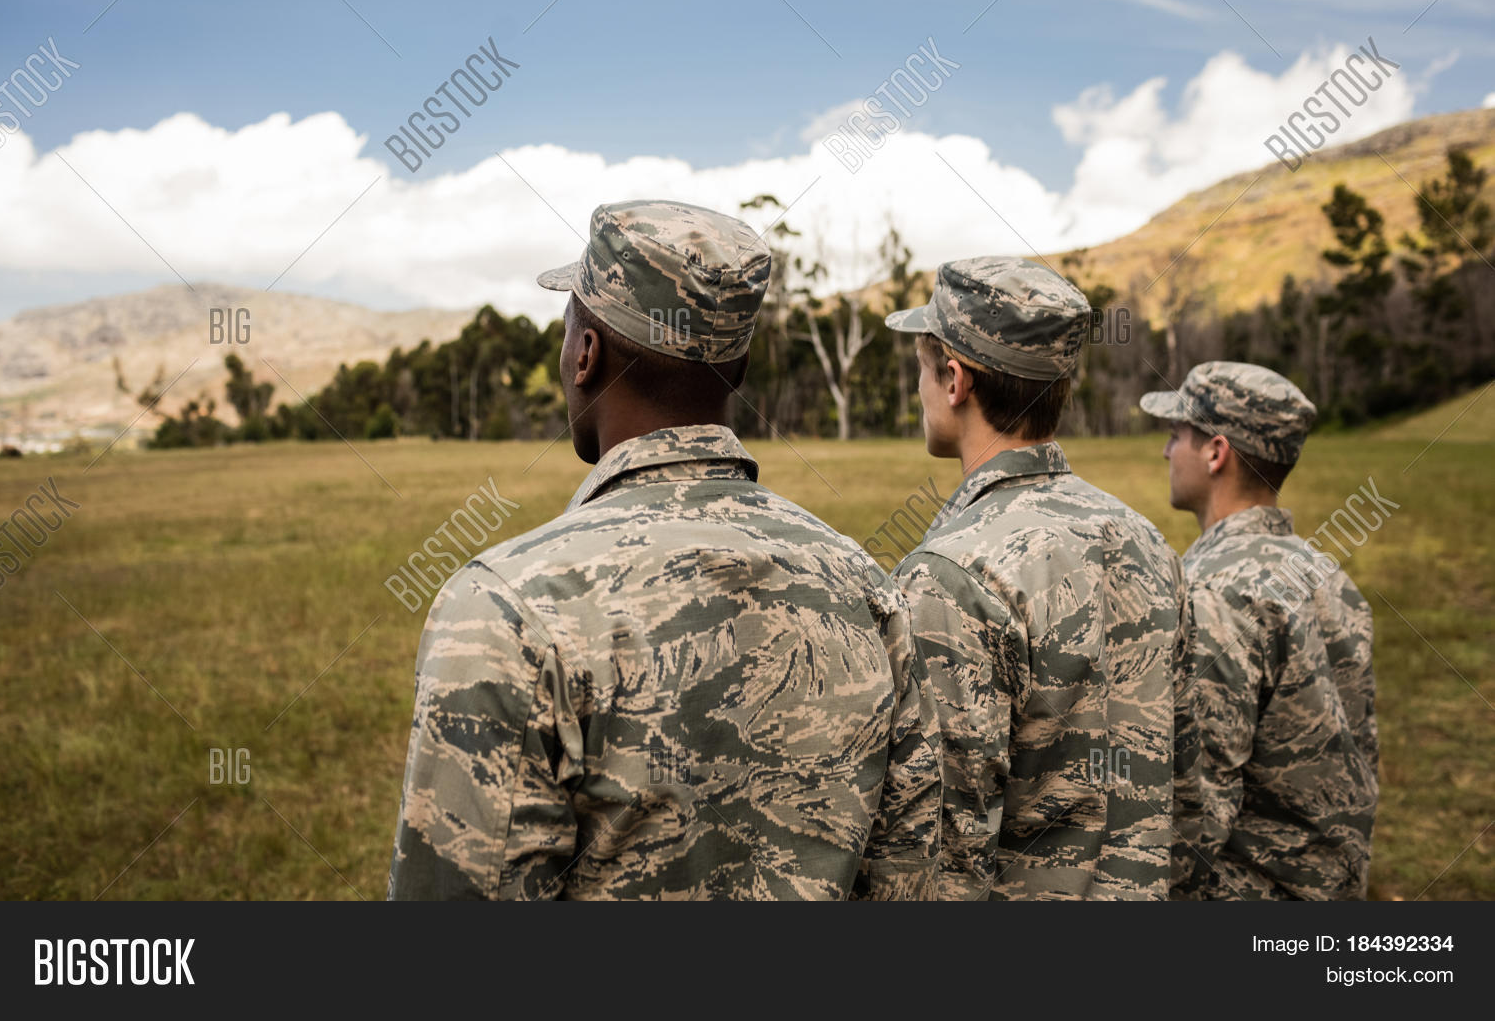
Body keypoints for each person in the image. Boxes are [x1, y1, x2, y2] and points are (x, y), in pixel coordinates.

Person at [388, 198, 942, 900]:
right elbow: (913, 883)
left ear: (585, 354)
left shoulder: (504, 608)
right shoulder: (868, 589)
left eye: (568, 333)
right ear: (736, 370)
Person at [886, 256, 1187, 899]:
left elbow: (942, 848)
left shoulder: (950, 574)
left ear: (955, 380)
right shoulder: (1147, 539)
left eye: (920, 367)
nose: (919, 388)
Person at [1141, 361, 1377, 899]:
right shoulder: (1329, 576)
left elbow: (1194, 803)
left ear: (1215, 452)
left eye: (1177, 434)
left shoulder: (1216, 591)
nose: (1165, 450)